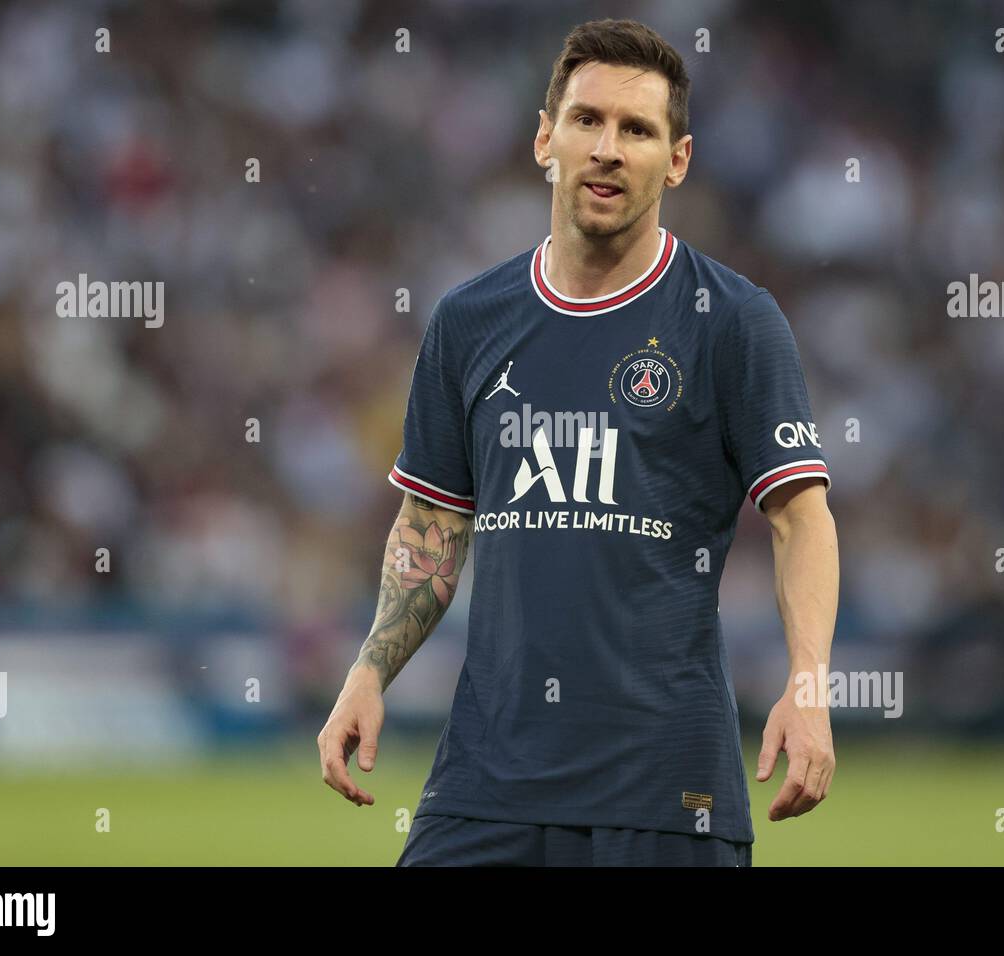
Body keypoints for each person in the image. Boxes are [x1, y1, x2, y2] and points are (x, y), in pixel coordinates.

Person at [318, 17, 839, 867]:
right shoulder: (468, 321)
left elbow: (801, 519)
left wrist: (809, 687)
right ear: (543, 139)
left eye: (637, 129)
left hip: (669, 790)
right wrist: (369, 671)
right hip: (487, 781)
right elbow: (434, 523)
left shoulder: (734, 322)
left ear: (676, 160)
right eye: (587, 120)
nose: (607, 147)